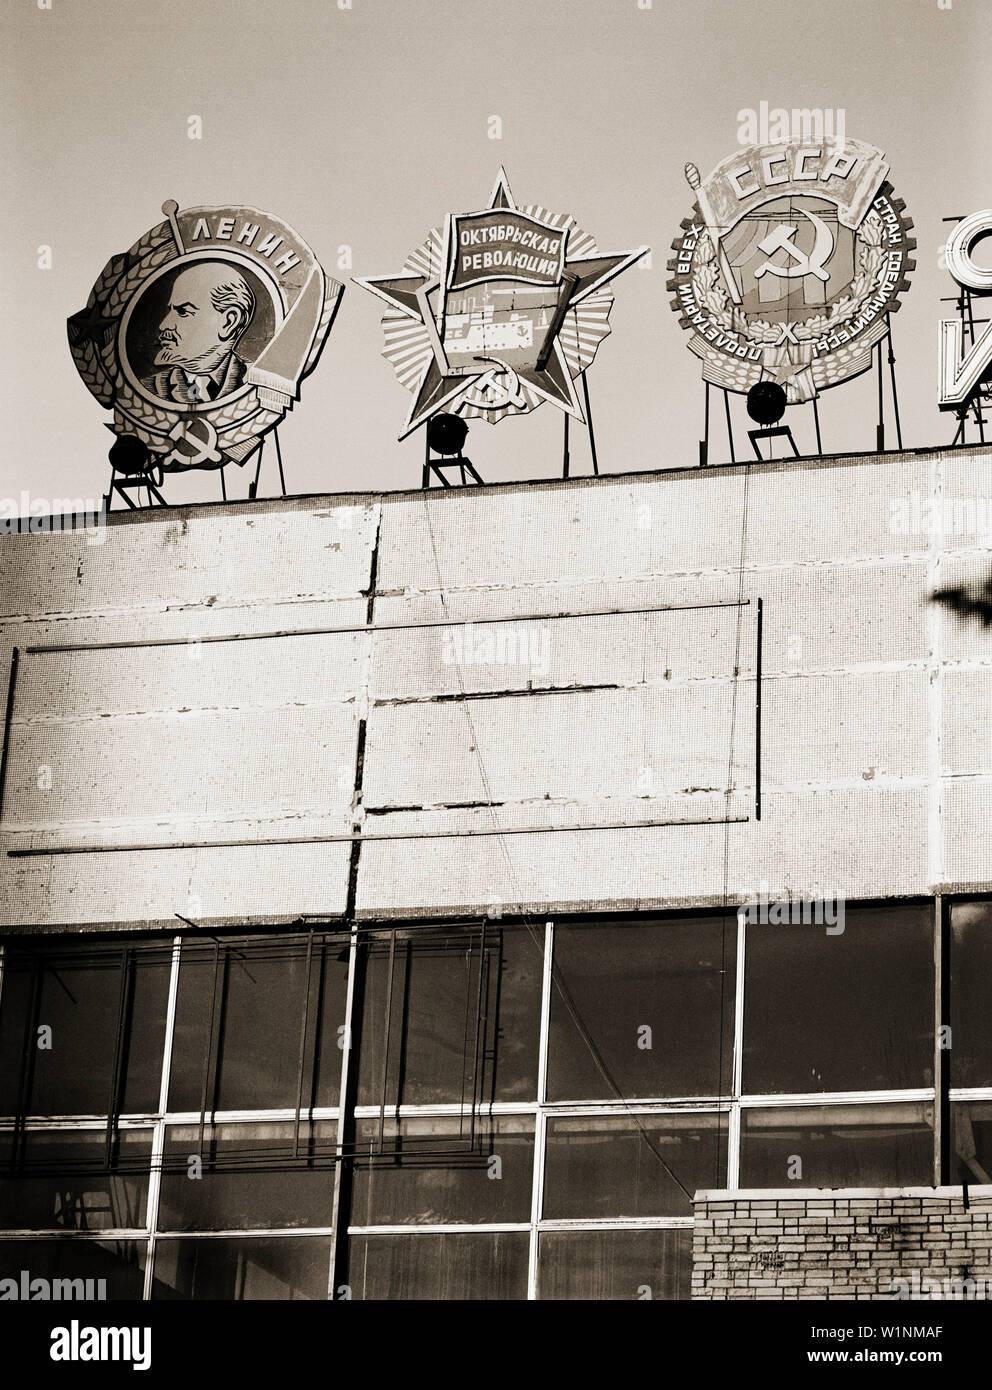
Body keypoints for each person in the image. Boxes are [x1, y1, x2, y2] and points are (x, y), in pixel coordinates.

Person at [141, 262, 255, 403]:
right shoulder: (147, 391)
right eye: (170, 310)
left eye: (182, 311)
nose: (164, 325)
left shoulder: (262, 385)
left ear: (228, 322)